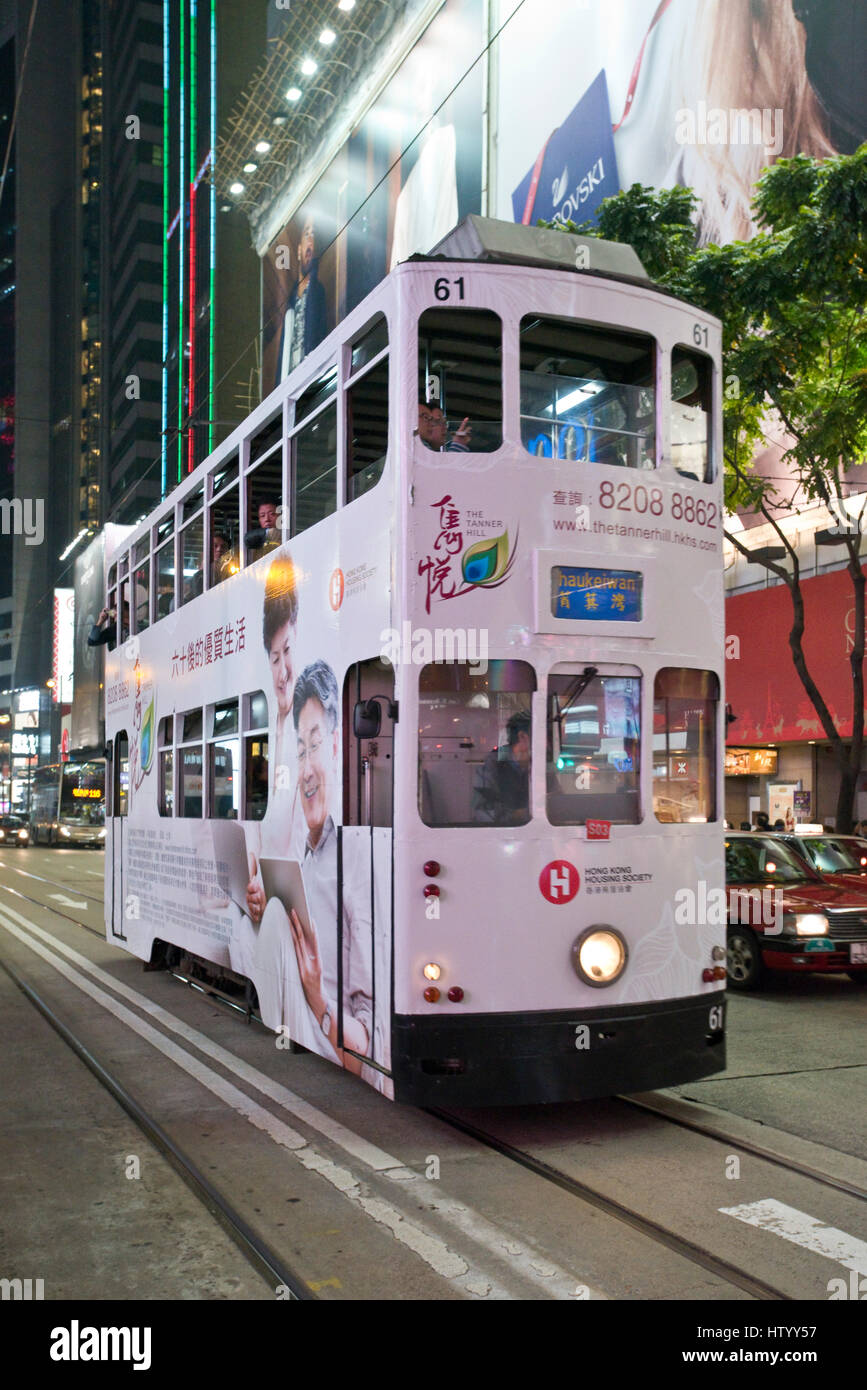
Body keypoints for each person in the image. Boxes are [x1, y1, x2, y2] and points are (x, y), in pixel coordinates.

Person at [252, 659, 373, 1074]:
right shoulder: (305, 849)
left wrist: (316, 994)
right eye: (299, 750)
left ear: (338, 746)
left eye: (315, 746)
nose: (305, 769)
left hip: (323, 1031)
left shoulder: (357, 858)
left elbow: (368, 1053)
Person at [274, 214, 328, 389]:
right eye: (307, 234)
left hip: (308, 381)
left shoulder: (318, 292)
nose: (310, 241)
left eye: (314, 235)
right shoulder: (289, 300)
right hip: (288, 384)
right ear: (298, 249)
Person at [471, 710, 531, 826]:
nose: (548, 743)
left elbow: (555, 798)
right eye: (545, 735)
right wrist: (520, 814)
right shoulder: (494, 762)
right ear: (522, 736)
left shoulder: (540, 762)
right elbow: (483, 811)